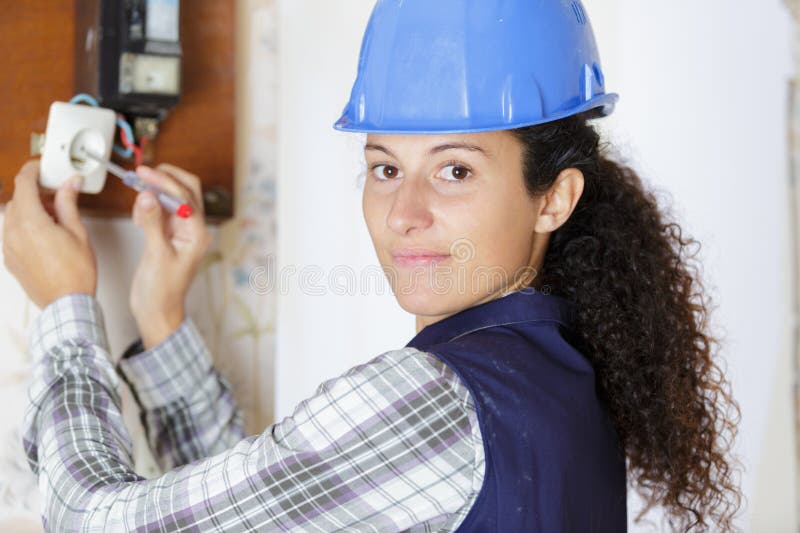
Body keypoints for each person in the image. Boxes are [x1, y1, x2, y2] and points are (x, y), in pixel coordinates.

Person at [4, 0, 742, 531]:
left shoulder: (432, 399)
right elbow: (284, 505)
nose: (403, 213)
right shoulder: (563, 378)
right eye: (385, 167)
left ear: (554, 197)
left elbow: (89, 520)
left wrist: (65, 308)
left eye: (454, 171)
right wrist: (163, 322)